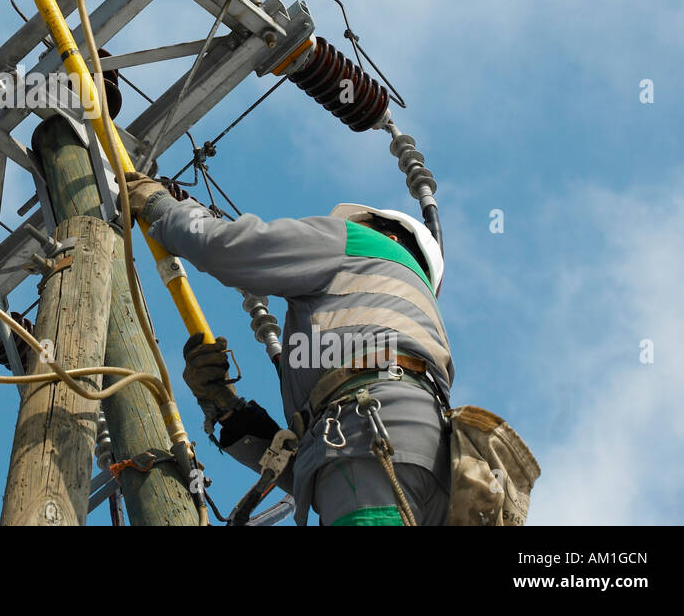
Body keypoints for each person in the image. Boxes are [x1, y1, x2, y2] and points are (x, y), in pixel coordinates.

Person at [125, 172, 453, 526]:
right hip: (425, 465)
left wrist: (160, 206)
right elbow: (307, 463)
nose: (336, 228)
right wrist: (227, 410)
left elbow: (229, 248)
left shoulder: (363, 244)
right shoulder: (409, 328)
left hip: (370, 440)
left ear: (390, 236)